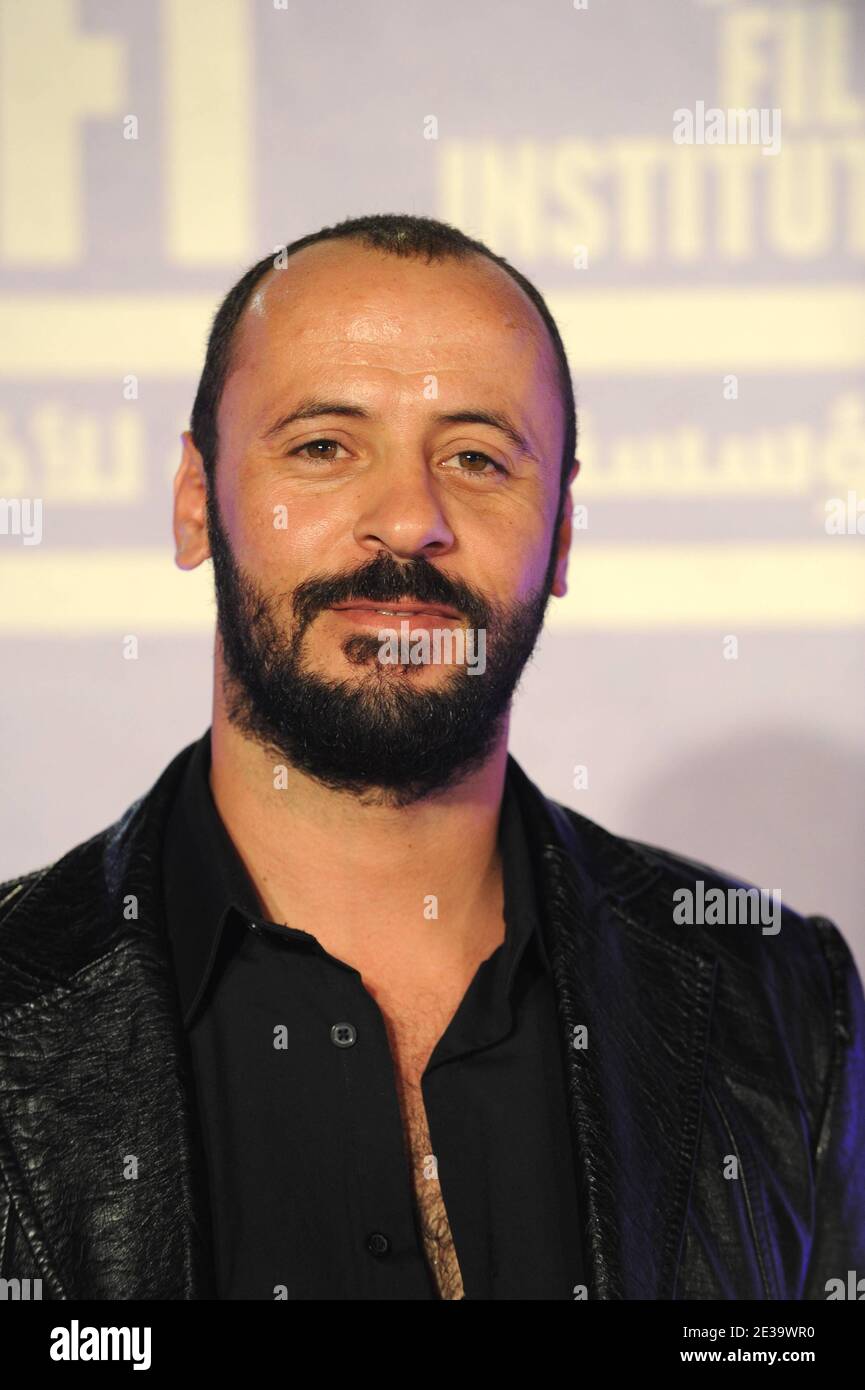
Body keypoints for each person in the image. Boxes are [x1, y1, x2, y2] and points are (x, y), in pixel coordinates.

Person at [1, 214, 862, 1301]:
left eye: (475, 457)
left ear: (557, 536)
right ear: (194, 502)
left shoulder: (784, 1006)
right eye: (322, 446)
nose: (408, 521)